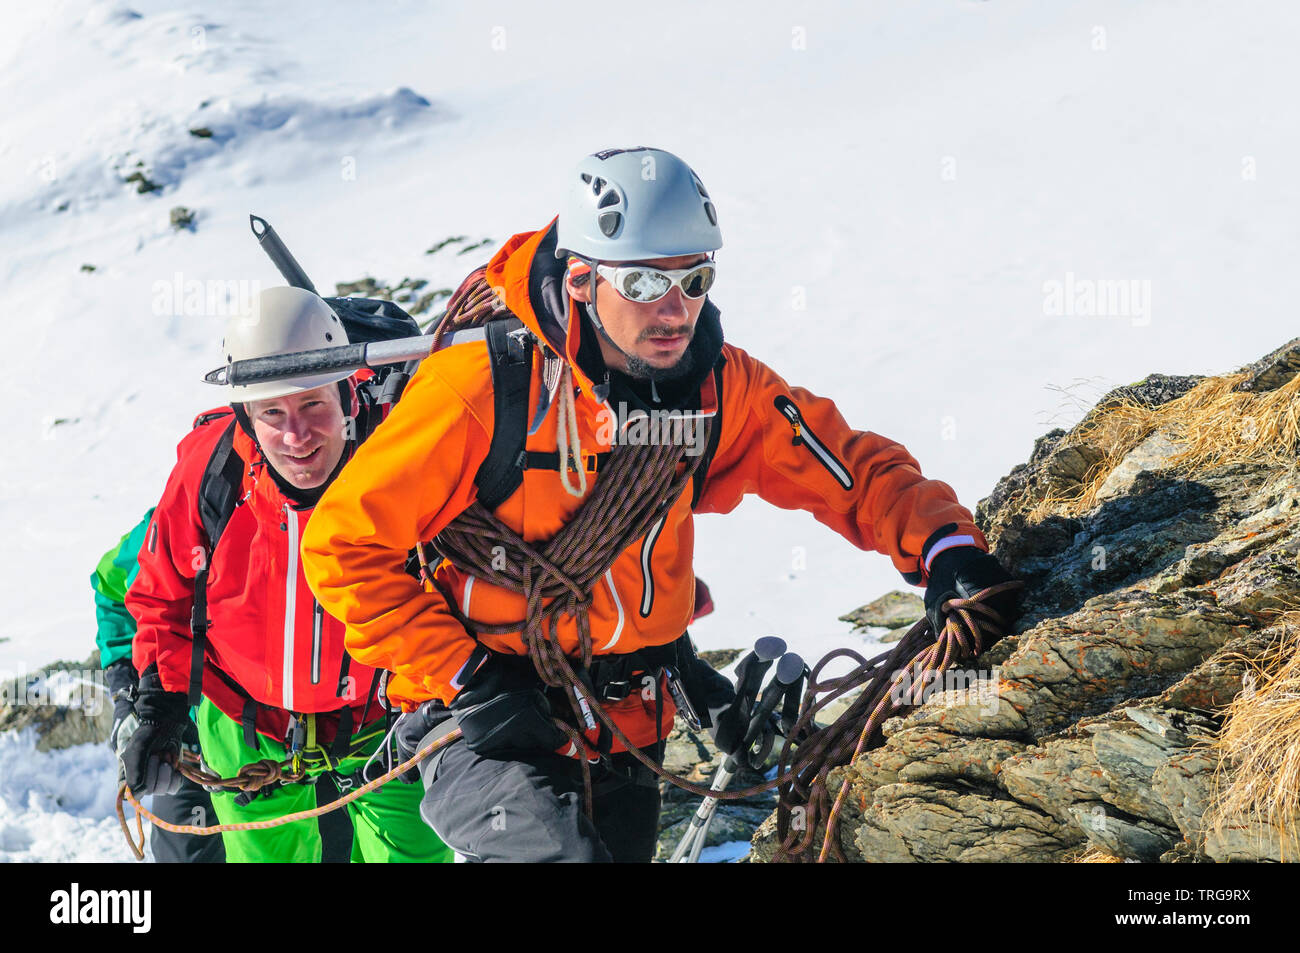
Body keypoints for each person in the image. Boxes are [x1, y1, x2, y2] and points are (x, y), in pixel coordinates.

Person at [300, 147, 1018, 862]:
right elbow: (341, 544)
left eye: (695, 278)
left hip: (629, 720)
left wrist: (944, 547)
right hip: (478, 719)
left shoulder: (716, 389)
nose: (677, 310)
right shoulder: (486, 389)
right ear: (582, 279)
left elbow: (847, 469)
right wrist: (469, 675)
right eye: (645, 283)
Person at [122, 286, 452, 863]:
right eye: (272, 412)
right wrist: (160, 702)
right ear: (246, 416)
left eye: (313, 406)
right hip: (244, 731)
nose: (297, 436)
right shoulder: (211, 470)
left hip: (386, 724)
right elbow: (162, 595)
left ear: (348, 395)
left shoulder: (398, 464)